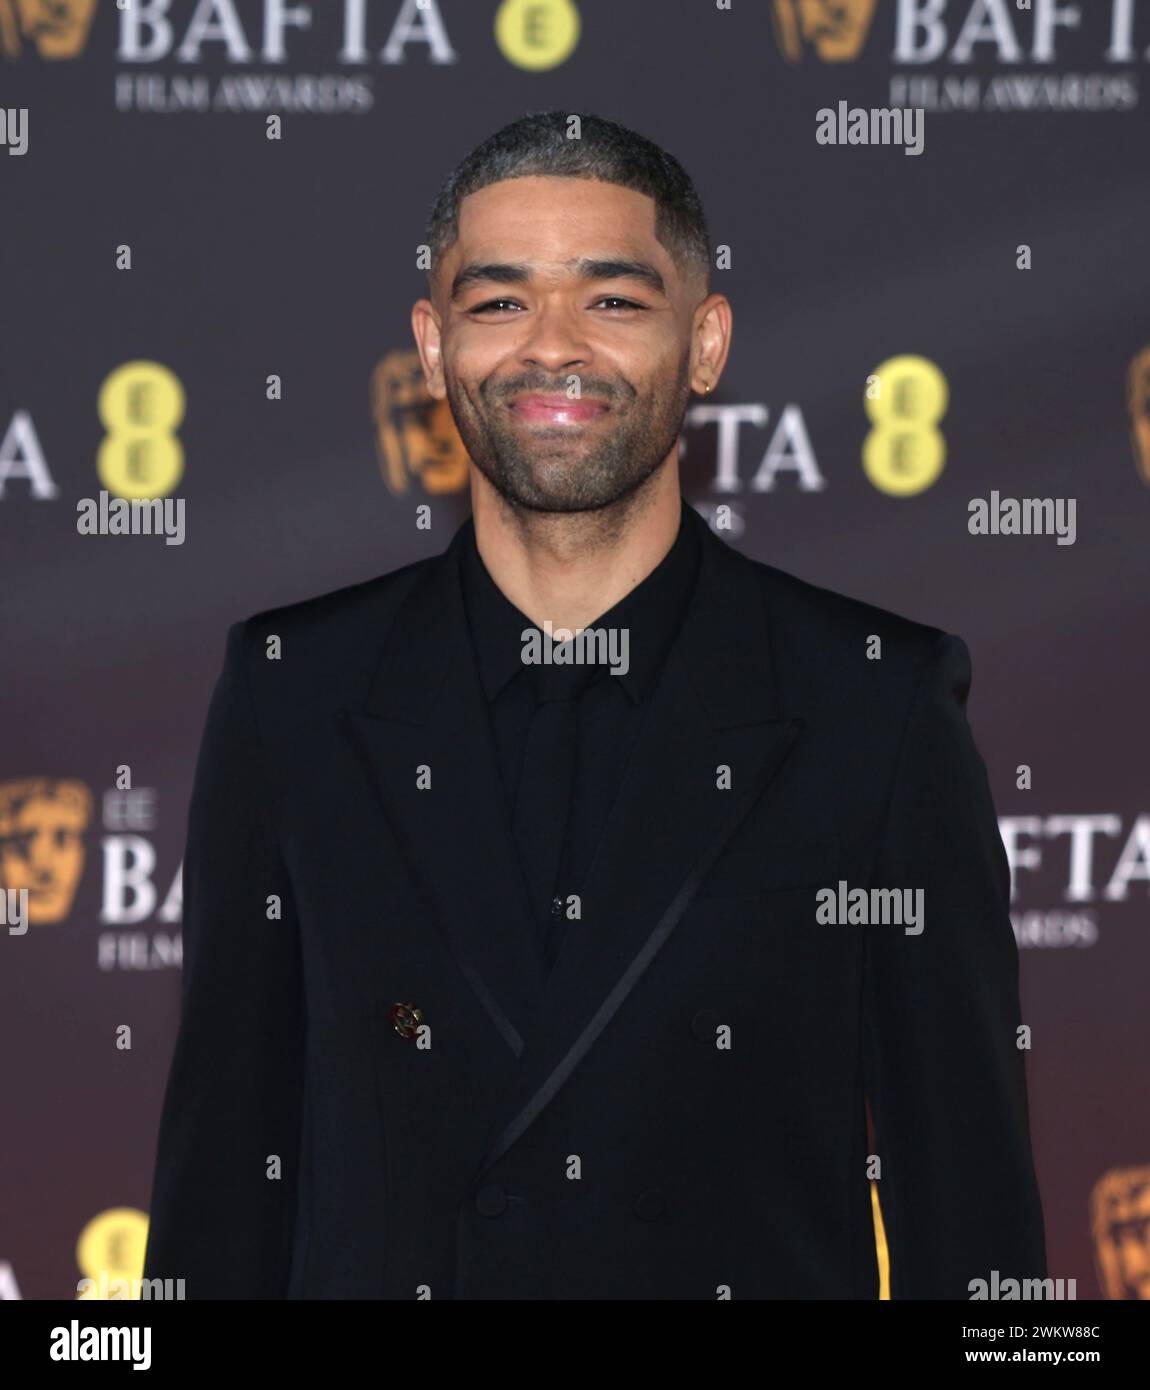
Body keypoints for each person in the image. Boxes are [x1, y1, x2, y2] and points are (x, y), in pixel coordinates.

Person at [142, 109, 1046, 1299]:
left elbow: (967, 1208)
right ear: (431, 344)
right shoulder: (291, 693)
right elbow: (222, 1197)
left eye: (612, 301)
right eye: (498, 301)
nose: (550, 348)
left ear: (706, 341)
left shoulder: (872, 704)